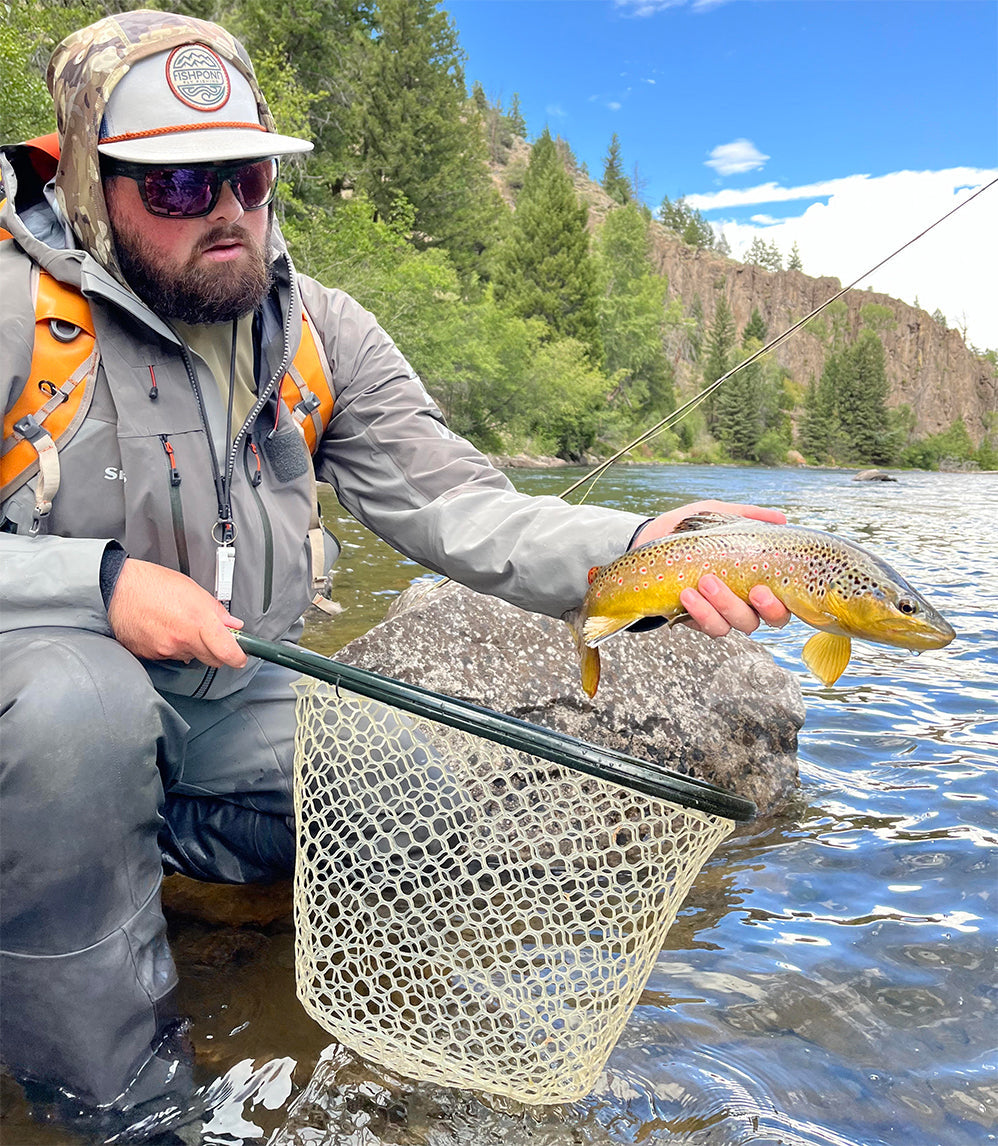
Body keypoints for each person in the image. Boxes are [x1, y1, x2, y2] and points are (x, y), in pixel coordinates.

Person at [0, 9, 790, 1140]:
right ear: (89, 184)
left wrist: (642, 551)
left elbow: (460, 505)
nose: (225, 212)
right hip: (34, 700)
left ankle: (289, 1006)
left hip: (208, 702)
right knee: (81, 711)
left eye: (247, 178)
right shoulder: (17, 313)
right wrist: (100, 584)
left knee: (400, 791)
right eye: (177, 187)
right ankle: (120, 1107)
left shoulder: (322, 332)